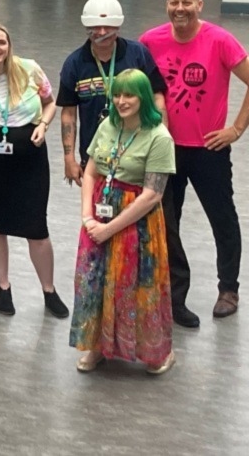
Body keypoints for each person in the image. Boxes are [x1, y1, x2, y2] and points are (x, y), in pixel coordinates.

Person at [140, 0, 249, 327]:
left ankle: (228, 289)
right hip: (165, 150)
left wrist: (236, 129)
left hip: (208, 149)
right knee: (166, 223)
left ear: (200, 5)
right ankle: (171, 293)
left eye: (187, 2)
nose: (180, 8)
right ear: (167, 5)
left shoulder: (219, 40)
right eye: (175, 2)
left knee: (223, 219)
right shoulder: (150, 41)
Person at [69, 69, 176, 375]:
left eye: (129, 95)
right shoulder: (107, 126)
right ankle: (98, 346)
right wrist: (87, 217)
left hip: (137, 223)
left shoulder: (159, 137)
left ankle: (156, 352)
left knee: (139, 286)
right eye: (117, 94)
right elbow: (90, 172)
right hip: (99, 214)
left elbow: (153, 195)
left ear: (143, 97)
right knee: (95, 281)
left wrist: (108, 229)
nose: (121, 101)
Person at [0, 22, 69, 318]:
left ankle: (49, 290)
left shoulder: (29, 69)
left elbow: (50, 103)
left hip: (31, 160)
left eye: (2, 42)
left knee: (37, 227)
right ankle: (3, 288)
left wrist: (44, 125)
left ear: (9, 45)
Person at [58, 0, 166, 187]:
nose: (101, 32)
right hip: (95, 157)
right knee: (96, 212)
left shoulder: (138, 54)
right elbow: (68, 114)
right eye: (95, 27)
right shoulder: (73, 64)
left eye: (108, 27)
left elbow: (157, 97)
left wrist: (161, 143)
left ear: (118, 26)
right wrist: (69, 159)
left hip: (137, 156)